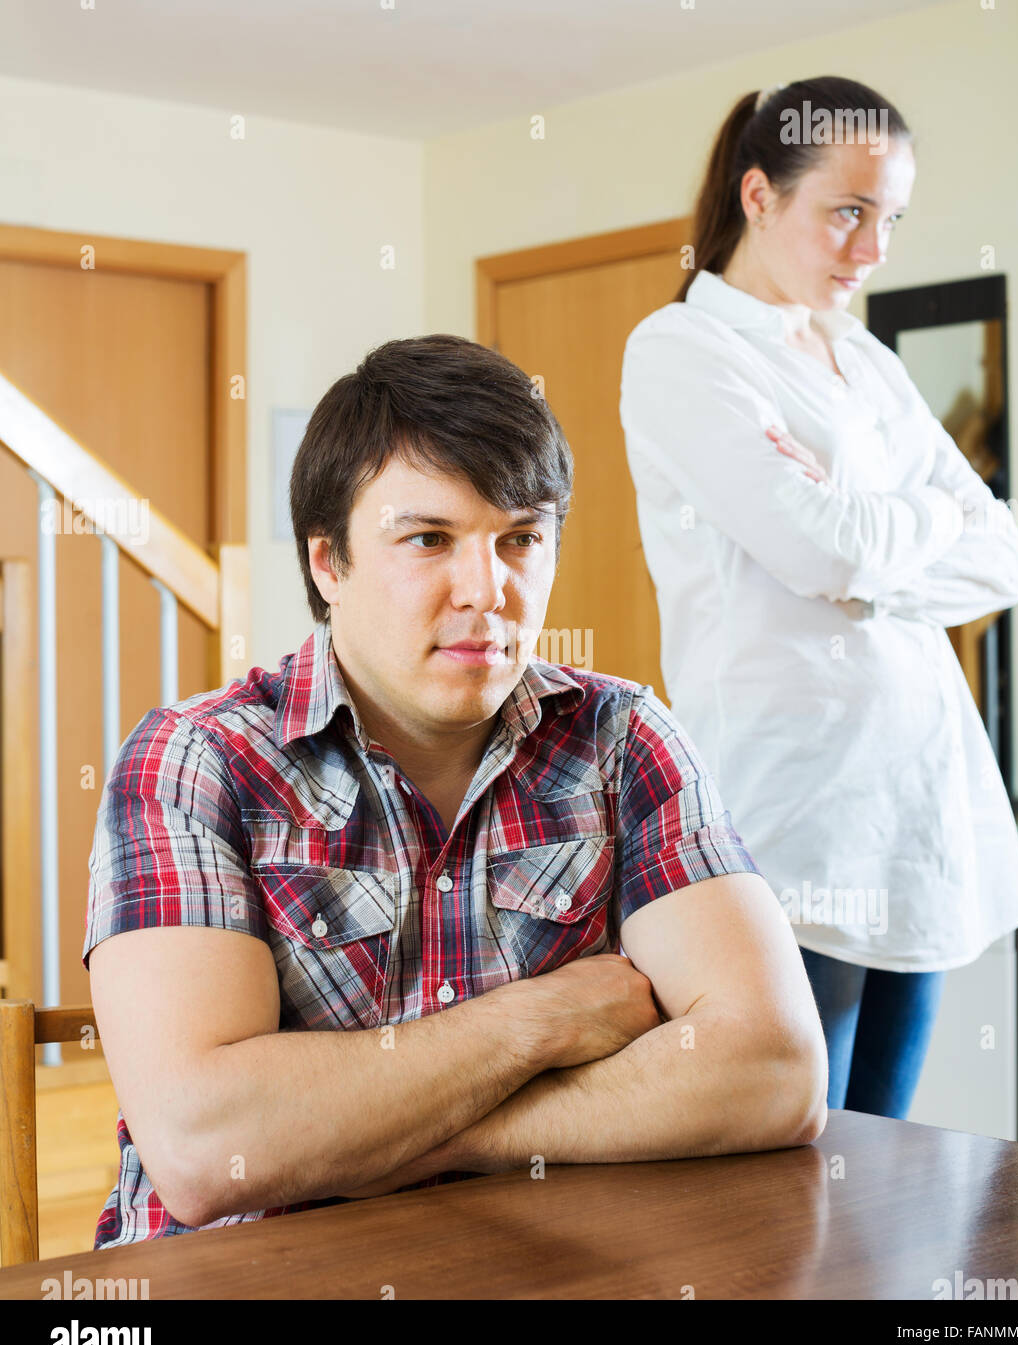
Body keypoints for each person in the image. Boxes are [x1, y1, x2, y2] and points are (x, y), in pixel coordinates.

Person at [82, 334, 827, 1248]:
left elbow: (774, 1069)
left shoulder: (622, 737)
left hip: (539, 1270)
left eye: (522, 539)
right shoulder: (196, 759)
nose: (489, 589)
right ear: (329, 562)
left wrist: (406, 1137)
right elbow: (207, 1149)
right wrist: (538, 1024)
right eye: (428, 540)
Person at [619, 76, 1018, 1122]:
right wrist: (900, 527)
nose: (873, 247)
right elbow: (824, 551)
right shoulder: (683, 352)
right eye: (845, 211)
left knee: (884, 1154)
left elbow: (1000, 553)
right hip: (799, 807)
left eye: (889, 217)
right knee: (800, 1156)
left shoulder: (864, 361)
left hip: (919, 802)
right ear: (758, 196)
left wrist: (873, 539)